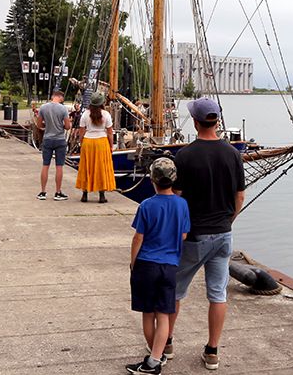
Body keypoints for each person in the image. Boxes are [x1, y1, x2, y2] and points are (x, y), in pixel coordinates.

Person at [168, 97, 245, 371]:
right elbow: (239, 195)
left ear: (197, 122)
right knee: (218, 294)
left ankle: (167, 342)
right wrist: (229, 220)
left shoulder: (185, 156)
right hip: (223, 233)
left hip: (194, 234)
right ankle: (212, 350)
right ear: (217, 121)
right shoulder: (233, 154)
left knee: (175, 290)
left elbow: (176, 197)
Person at [126, 158, 190, 375]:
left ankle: (154, 360)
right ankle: (156, 357)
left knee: (147, 314)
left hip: (146, 264)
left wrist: (133, 264)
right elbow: (183, 234)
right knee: (163, 315)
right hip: (169, 266)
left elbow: (138, 238)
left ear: (152, 179)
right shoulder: (182, 204)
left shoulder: (146, 205)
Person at [75, 92, 116, 203]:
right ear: (102, 103)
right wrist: (111, 146)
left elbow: (81, 131)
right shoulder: (106, 115)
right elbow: (110, 133)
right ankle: (101, 195)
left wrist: (81, 142)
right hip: (102, 142)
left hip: (88, 142)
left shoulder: (85, 114)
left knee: (87, 166)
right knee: (101, 167)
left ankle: (85, 194)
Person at [37, 89, 71, 201]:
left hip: (47, 139)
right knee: (59, 166)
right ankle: (57, 192)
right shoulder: (63, 109)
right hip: (60, 140)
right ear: (60, 97)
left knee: (45, 165)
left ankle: (42, 192)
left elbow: (39, 124)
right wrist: (61, 124)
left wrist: (47, 125)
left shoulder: (43, 107)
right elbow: (67, 126)